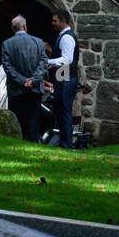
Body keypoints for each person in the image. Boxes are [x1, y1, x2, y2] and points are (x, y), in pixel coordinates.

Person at [0, 15, 47, 142]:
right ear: (25, 27)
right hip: (34, 88)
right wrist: (34, 80)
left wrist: (22, 81)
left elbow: (8, 68)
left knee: (17, 120)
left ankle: (17, 144)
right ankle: (32, 143)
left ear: (12, 28)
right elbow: (43, 62)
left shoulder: (6, 44)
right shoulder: (38, 42)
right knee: (33, 119)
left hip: (16, 89)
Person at [46, 8, 79, 149]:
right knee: (61, 112)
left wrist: (48, 62)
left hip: (66, 80)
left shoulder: (66, 37)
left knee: (64, 113)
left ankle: (67, 144)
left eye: (55, 20)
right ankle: (64, 142)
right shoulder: (63, 35)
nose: (53, 23)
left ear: (63, 21)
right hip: (63, 79)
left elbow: (67, 59)